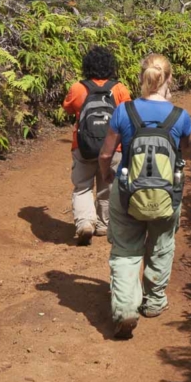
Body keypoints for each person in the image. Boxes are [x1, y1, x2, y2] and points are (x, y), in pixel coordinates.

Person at [98, 53, 191, 339]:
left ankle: (127, 308)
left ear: (142, 78)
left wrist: (107, 176)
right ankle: (153, 303)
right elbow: (185, 148)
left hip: (127, 191)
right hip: (167, 194)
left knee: (126, 250)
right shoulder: (180, 116)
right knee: (161, 246)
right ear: (169, 78)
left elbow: (105, 153)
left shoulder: (124, 111)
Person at [62, 46, 131, 246]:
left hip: (83, 146)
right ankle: (103, 224)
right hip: (113, 147)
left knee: (82, 186)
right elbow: (127, 115)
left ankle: (85, 223)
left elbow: (67, 108)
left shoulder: (78, 88)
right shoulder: (119, 88)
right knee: (107, 185)